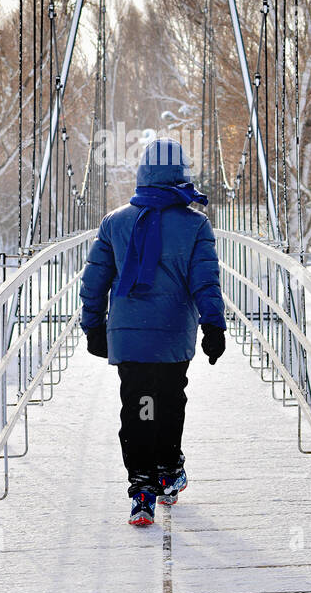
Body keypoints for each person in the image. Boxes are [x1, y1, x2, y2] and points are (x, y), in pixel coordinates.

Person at [79, 138, 226, 526]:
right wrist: (213, 324)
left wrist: (92, 324)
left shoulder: (115, 222)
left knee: (139, 404)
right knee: (169, 401)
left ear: (142, 173)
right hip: (173, 335)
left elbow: (94, 282)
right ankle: (167, 470)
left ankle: (141, 488)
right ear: (182, 174)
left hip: (129, 336)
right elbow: (205, 281)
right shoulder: (195, 224)